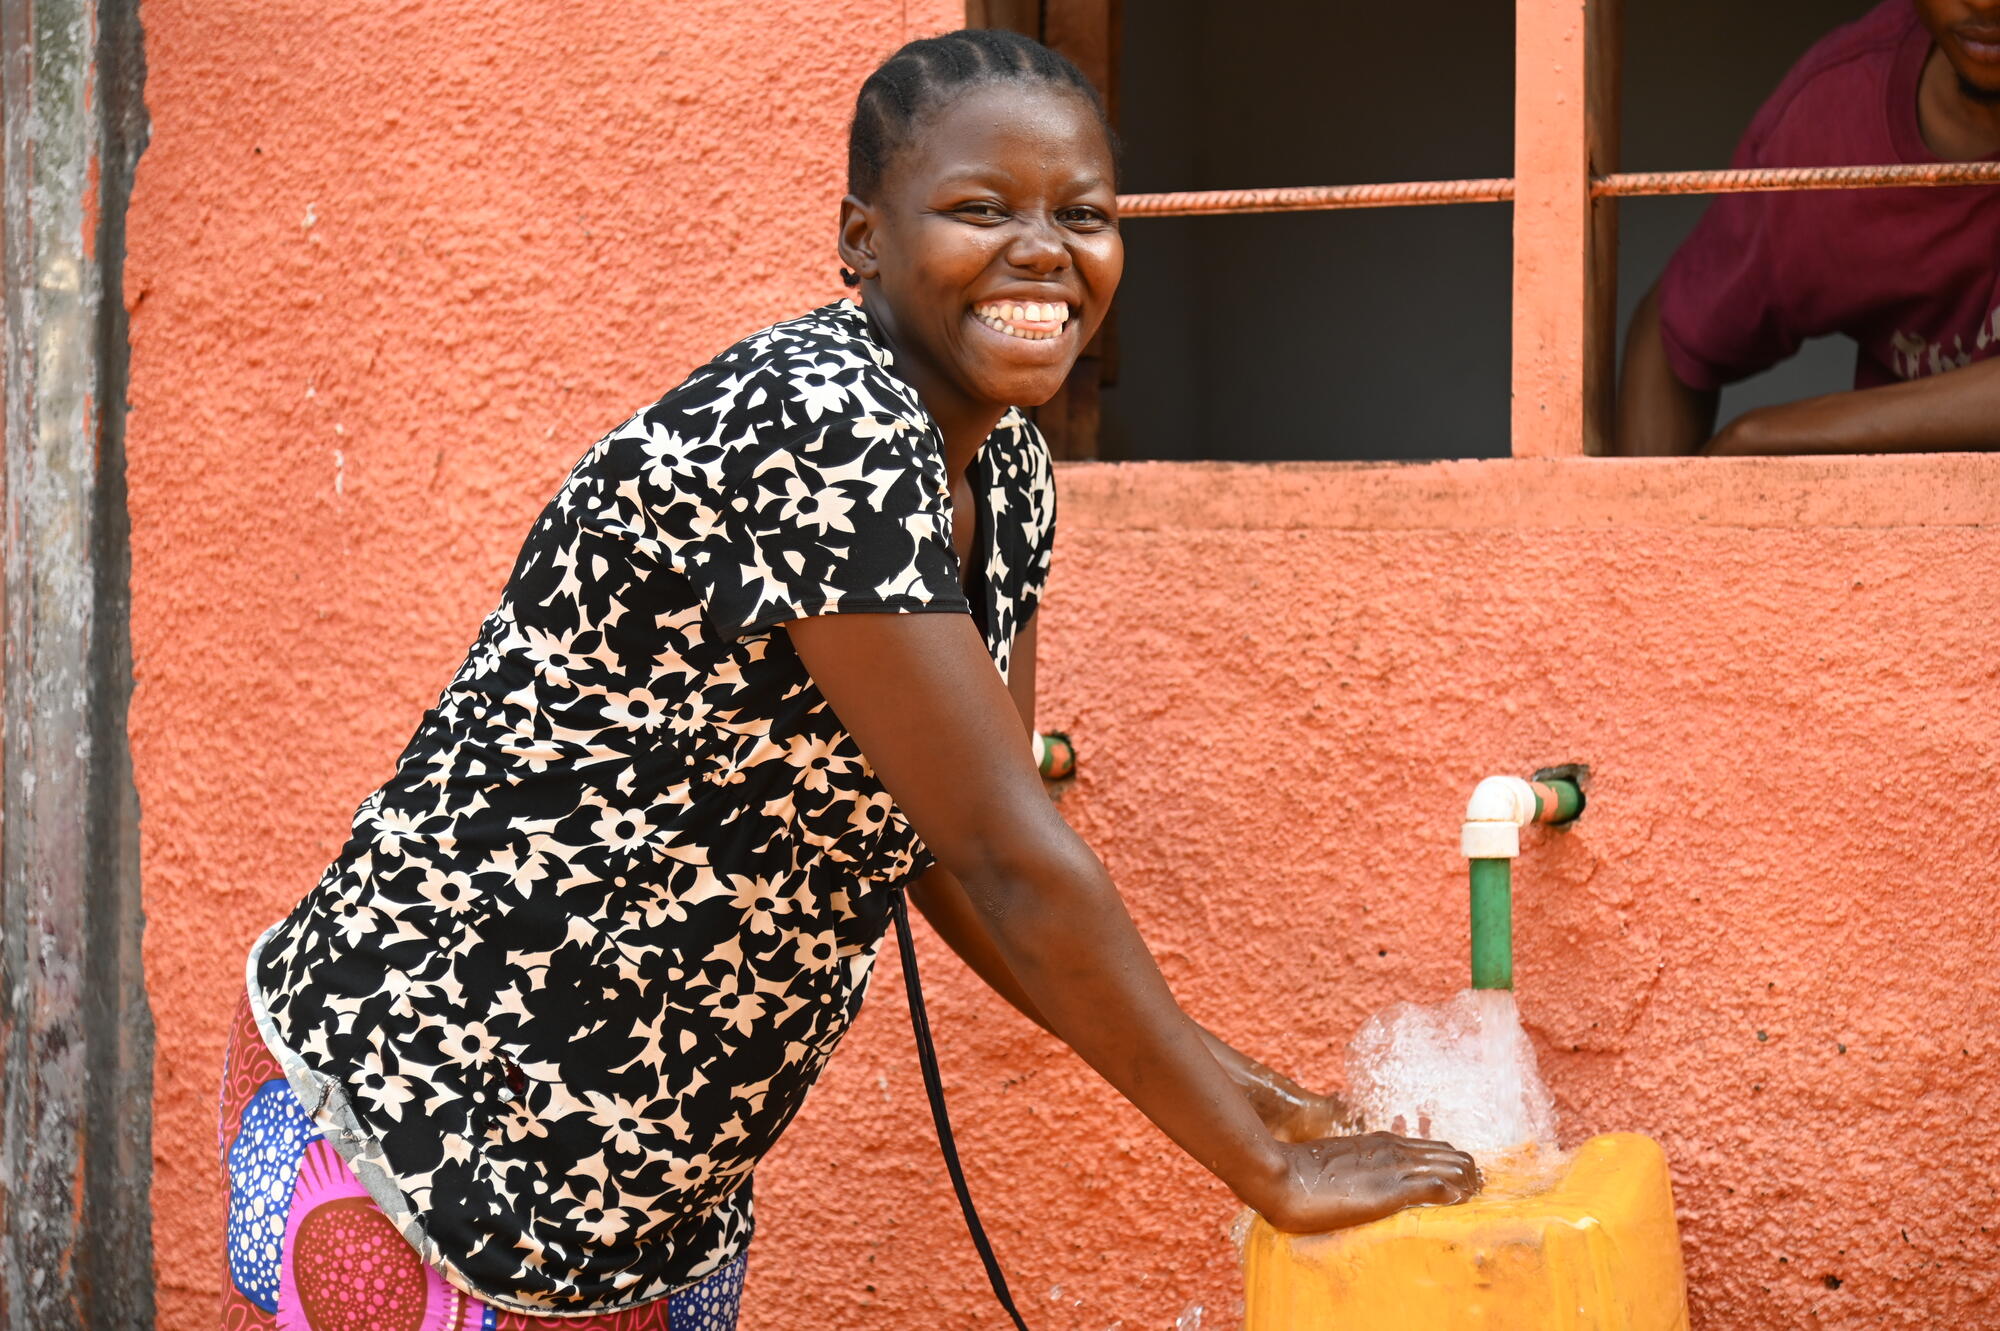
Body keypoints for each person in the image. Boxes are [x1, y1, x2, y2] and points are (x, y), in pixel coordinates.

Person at [218, 29, 1478, 1329]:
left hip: (640, 1187)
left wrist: (1269, 1095)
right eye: (982, 208)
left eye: (1084, 213)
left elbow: (953, 842)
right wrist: (1267, 1165)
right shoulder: (822, 420)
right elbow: (1008, 854)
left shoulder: (1011, 472)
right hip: (419, 1126)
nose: (1044, 248)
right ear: (862, 239)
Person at [1616, 0, 2000, 456]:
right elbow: (1670, 333)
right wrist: (1656, 522)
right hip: (1912, 522)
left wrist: (1770, 435)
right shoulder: (1835, 123)